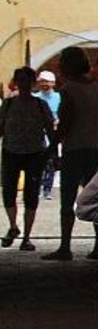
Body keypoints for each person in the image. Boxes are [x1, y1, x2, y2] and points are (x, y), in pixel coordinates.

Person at [42, 47, 98, 261]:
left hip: (74, 149)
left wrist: (52, 147)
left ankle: (65, 246)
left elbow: (65, 123)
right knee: (96, 198)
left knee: (67, 199)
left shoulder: (69, 89)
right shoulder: (96, 87)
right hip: (95, 147)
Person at [0, 67, 55, 251]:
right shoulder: (8, 104)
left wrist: (53, 152)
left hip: (34, 153)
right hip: (11, 151)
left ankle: (27, 237)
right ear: (16, 82)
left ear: (32, 83)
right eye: (20, 80)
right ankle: (13, 226)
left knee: (31, 195)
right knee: (8, 193)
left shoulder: (40, 104)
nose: (23, 84)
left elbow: (49, 128)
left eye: (26, 80)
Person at [35, 69, 60, 199]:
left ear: (53, 83)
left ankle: (47, 189)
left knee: (51, 162)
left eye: (47, 82)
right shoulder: (35, 98)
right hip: (38, 135)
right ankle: (37, 187)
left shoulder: (59, 97)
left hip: (53, 134)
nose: (45, 84)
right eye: (42, 81)